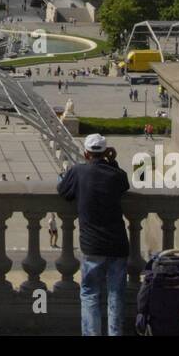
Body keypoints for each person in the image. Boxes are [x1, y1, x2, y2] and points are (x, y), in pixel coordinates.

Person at [57, 134, 130, 336]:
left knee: (90, 294)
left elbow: (63, 191)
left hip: (92, 245)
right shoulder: (116, 174)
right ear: (105, 152)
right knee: (116, 295)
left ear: (86, 153)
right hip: (118, 244)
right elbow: (125, 184)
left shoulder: (78, 172)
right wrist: (112, 161)